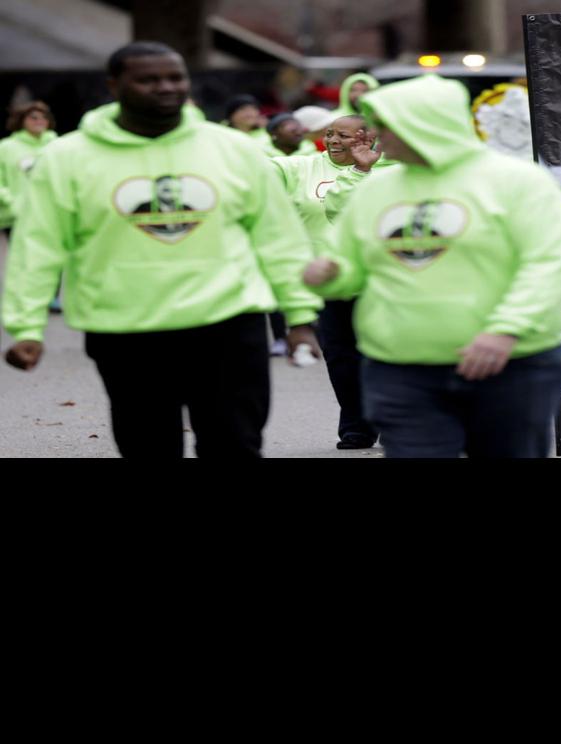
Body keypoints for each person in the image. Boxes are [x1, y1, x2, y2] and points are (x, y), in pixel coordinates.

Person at [3, 42, 322, 458]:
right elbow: (38, 245)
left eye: (175, 77)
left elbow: (278, 238)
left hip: (227, 322)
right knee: (148, 447)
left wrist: (300, 316)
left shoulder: (234, 150)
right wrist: (27, 326)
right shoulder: (68, 157)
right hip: (125, 329)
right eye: (149, 79)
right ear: (114, 85)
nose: (165, 87)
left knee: (235, 445)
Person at [302, 75, 561, 458]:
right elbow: (350, 263)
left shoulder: (517, 182)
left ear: (422, 124)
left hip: (508, 364)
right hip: (401, 369)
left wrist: (506, 330)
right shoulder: (376, 190)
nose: (375, 135)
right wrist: (330, 276)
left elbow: (550, 264)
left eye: (385, 125)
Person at [271, 113, 385, 449]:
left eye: (344, 136)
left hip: (382, 281)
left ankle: (393, 419)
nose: (334, 141)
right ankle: (356, 425)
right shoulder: (301, 168)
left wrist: (364, 170)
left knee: (385, 355)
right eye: (331, 134)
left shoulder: (392, 169)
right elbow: (258, 168)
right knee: (340, 357)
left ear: (367, 137)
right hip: (329, 280)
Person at [0, 101, 58, 238]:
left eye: (44, 117)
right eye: (34, 117)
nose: (40, 121)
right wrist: (12, 202)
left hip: (52, 216)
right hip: (17, 217)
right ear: (21, 120)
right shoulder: (5, 147)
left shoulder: (58, 145)